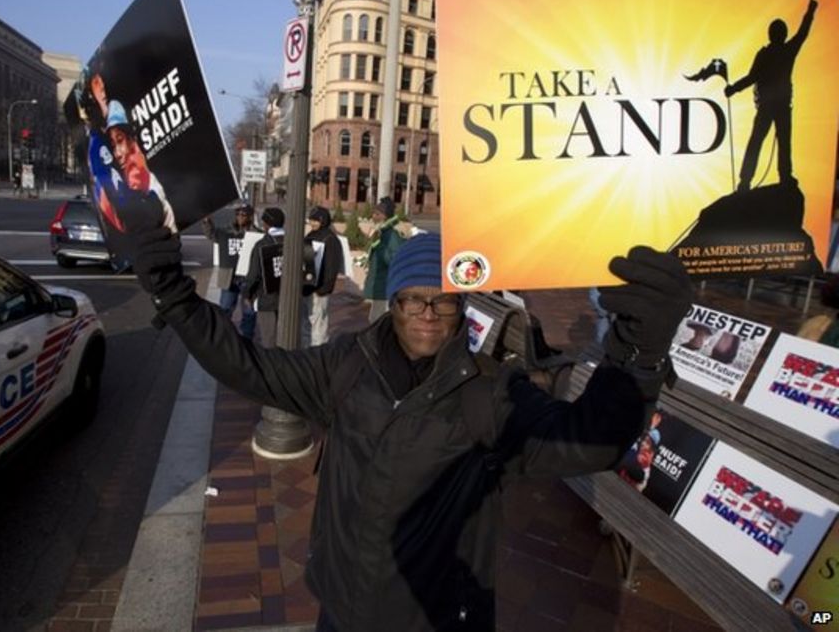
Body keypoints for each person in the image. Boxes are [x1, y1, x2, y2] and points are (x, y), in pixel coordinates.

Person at [132, 224, 693, 632]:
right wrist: (175, 297)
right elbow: (247, 366)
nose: (427, 313)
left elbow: (590, 442)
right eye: (413, 301)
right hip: (341, 607)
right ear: (393, 304)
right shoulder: (345, 366)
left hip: (433, 619)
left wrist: (638, 356)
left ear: (461, 309)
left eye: (442, 303)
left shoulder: (492, 393)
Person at [725, 0, 817, 192]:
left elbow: (751, 78)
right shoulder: (786, 51)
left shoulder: (767, 54)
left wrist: (733, 88)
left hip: (769, 106)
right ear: (782, 34)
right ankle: (781, 177)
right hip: (779, 106)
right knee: (780, 142)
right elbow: (802, 33)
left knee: (758, 141)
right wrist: (810, 11)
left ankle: (747, 181)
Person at [104, 100, 178, 235]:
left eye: (120, 140)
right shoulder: (118, 185)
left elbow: (172, 235)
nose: (117, 154)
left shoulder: (155, 190)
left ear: (132, 140)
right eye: (113, 146)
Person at [202, 203, 258, 340]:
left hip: (248, 279)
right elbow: (211, 234)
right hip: (229, 278)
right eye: (238, 214)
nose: (240, 217)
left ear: (250, 217)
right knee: (225, 309)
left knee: (249, 312)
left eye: (244, 214)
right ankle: (224, 337)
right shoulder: (226, 232)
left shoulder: (256, 234)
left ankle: (247, 339)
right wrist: (207, 221)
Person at [243, 206, 286, 348]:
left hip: (267, 298)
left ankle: (272, 362)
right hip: (289, 298)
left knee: (269, 339)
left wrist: (247, 294)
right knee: (286, 339)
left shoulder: (262, 244)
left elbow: (254, 274)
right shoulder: (293, 242)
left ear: (267, 224)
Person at [304, 206, 345, 346]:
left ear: (323, 221)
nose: (312, 223)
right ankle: (305, 352)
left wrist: (324, 289)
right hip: (307, 287)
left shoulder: (330, 239)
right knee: (306, 323)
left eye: (315, 220)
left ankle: (319, 352)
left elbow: (332, 267)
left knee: (319, 325)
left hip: (320, 289)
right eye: (311, 220)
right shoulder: (310, 235)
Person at [363, 196, 405, 322]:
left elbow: (394, 260)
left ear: (386, 216)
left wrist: (379, 247)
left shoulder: (392, 235)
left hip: (385, 288)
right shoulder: (381, 234)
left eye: (377, 214)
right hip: (379, 287)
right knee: (374, 320)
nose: (373, 217)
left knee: (380, 322)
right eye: (373, 213)